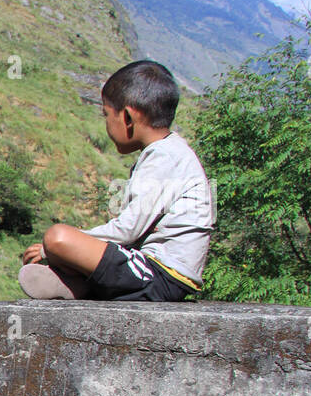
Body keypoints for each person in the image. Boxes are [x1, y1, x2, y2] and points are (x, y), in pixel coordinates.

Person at [19, 60, 213, 300]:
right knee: (67, 246)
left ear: (128, 117)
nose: (106, 124)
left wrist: (57, 248)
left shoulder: (165, 157)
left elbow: (127, 231)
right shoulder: (170, 152)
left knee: (58, 236)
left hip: (159, 274)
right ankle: (81, 285)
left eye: (107, 115)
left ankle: (79, 282)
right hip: (153, 273)